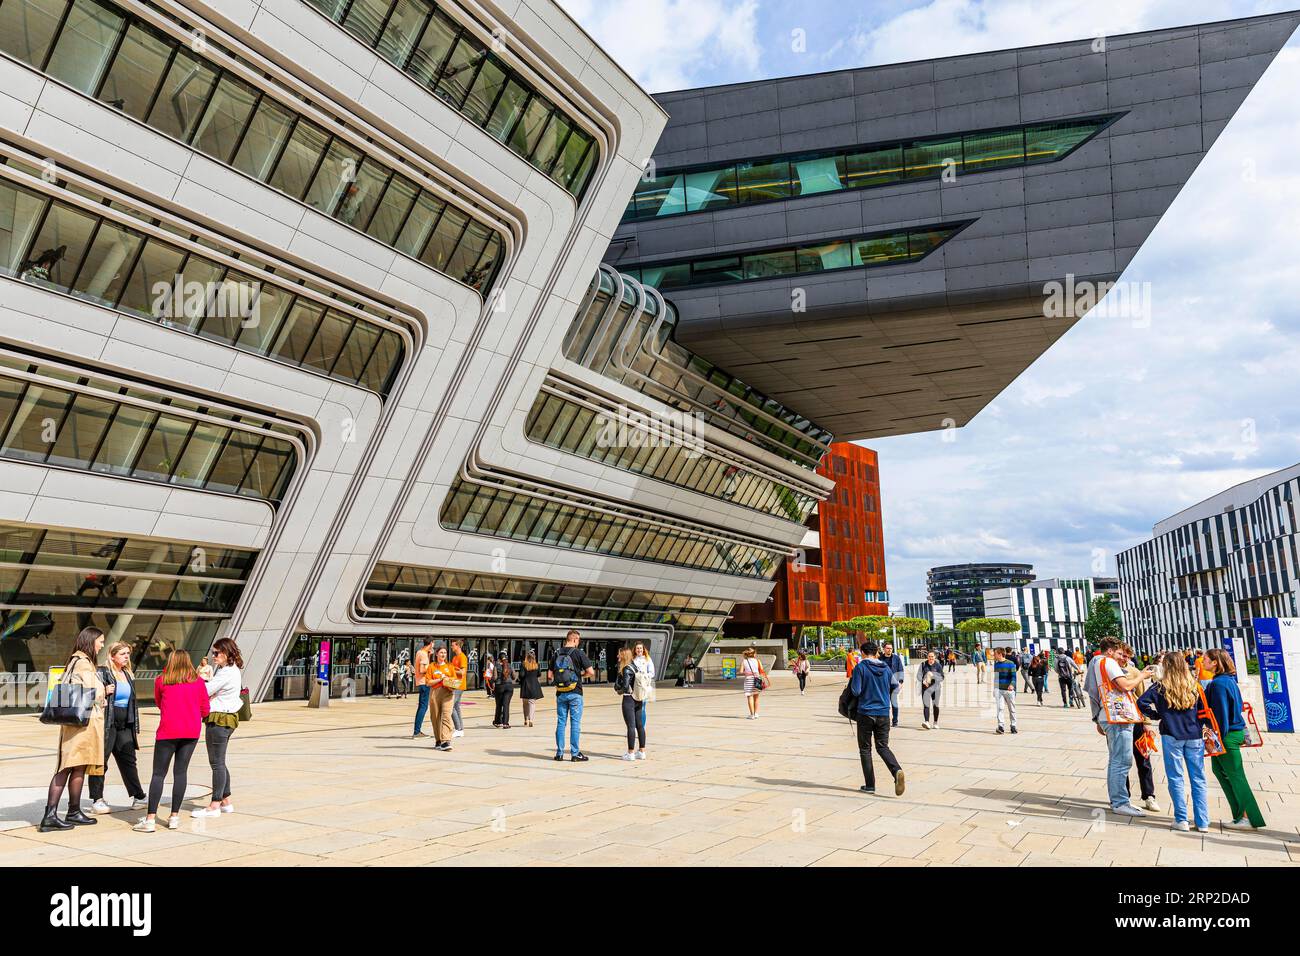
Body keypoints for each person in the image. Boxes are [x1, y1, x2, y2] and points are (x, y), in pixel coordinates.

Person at [40, 627, 109, 832]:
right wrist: (105, 690)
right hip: (80, 725)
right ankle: (50, 815)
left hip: (83, 724)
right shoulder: (82, 663)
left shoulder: (80, 661)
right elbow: (93, 692)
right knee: (67, 766)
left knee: (79, 766)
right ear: (91, 641)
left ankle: (74, 810)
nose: (102, 645)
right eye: (101, 641)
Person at [134, 650, 209, 832]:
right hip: (191, 732)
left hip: (168, 731)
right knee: (180, 773)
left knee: (158, 774)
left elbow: (159, 703)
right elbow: (205, 709)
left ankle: (150, 819)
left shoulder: (162, 680)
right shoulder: (198, 682)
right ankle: (174, 816)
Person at [1137, 652, 1210, 832]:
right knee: (1198, 778)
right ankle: (1202, 822)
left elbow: (1140, 702)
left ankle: (1181, 819)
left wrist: (1157, 715)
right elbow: (1203, 710)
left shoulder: (1160, 687)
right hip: (1194, 735)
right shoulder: (1195, 686)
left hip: (1171, 734)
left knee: (1176, 777)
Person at [1084, 636, 1154, 817]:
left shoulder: (1095, 662)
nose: (1122, 657)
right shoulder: (1108, 662)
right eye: (1119, 653)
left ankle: (1118, 800)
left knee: (1116, 760)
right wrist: (1142, 675)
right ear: (1110, 651)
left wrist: (1097, 718)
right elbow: (1125, 685)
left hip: (1109, 715)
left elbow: (1094, 692)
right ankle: (1120, 802)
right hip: (1117, 716)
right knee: (1122, 761)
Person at [1202, 648, 1266, 830]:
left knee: (1236, 777)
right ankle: (1239, 815)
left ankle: (1249, 818)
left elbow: (1221, 715)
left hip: (1226, 735)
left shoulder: (1218, 684)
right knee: (1222, 772)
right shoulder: (1227, 681)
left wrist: (1215, 740)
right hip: (1230, 733)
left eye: (1206, 659)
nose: (1203, 661)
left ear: (1215, 662)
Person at [88, 641, 145, 815]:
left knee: (129, 760)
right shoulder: (102, 672)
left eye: (128, 653)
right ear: (112, 655)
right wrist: (103, 691)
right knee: (100, 761)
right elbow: (90, 694)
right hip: (107, 723)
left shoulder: (127, 674)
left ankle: (138, 796)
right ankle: (97, 799)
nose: (126, 656)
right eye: (122, 654)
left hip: (124, 724)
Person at [847, 640, 905, 796]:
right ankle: (896, 770)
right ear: (876, 652)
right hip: (884, 713)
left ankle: (870, 785)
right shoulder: (885, 668)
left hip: (865, 712)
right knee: (882, 747)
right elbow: (895, 687)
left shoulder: (860, 668)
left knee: (865, 749)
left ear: (864, 653)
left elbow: (856, 691)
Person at [193, 637, 242, 818]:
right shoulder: (228, 669)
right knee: (219, 761)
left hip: (220, 719)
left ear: (227, 653)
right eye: (213, 653)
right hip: (225, 718)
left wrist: (197, 680)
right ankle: (226, 801)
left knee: (216, 763)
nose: (213, 656)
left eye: (216, 653)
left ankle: (215, 804)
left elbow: (205, 691)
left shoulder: (227, 672)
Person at [1119, 643, 1160, 812]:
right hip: (1118, 722)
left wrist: (1147, 723)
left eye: (1127, 656)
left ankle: (1149, 795)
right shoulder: (1108, 670)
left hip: (1136, 721)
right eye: (1122, 655)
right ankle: (1123, 796)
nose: (1124, 659)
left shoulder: (1134, 672)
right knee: (1121, 761)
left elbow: (1141, 699)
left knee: (1143, 758)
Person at [549, 630, 594, 761]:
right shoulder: (579, 653)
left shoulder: (556, 653)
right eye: (578, 640)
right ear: (574, 640)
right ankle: (575, 754)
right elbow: (590, 672)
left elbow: (550, 675)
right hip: (575, 692)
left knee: (561, 722)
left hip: (561, 693)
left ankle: (559, 753)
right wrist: (580, 676)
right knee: (575, 723)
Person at [614, 648, 647, 761]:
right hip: (638, 698)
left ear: (623, 656)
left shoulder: (626, 669)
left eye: (619, 655)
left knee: (631, 726)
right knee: (640, 725)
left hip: (629, 699)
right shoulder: (635, 667)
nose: (618, 657)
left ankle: (630, 753)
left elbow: (625, 686)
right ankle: (642, 751)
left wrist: (618, 690)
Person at [631, 641, 655, 742]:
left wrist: (644, 676)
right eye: (637, 648)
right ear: (635, 650)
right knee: (634, 709)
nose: (639, 650)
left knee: (642, 708)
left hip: (644, 686)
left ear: (643, 649)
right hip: (634, 687)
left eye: (641, 648)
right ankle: (634, 729)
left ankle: (641, 728)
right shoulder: (633, 660)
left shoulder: (647, 659)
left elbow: (652, 673)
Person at [992, 648, 1018, 734]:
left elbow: (1014, 676)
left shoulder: (1011, 664)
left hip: (1009, 691)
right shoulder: (996, 664)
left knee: (1012, 709)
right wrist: (994, 689)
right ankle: (1001, 726)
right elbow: (996, 677)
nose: (994, 655)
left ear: (1000, 654)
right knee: (1000, 708)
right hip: (999, 690)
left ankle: (1013, 726)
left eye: (995, 654)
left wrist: (1012, 684)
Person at [412, 638, 433, 738]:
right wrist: (432, 670)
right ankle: (417, 732)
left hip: (420, 682)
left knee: (421, 706)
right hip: (424, 682)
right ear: (431, 643)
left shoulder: (419, 652)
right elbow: (422, 669)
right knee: (423, 707)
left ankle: (417, 730)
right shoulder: (424, 654)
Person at [918, 650, 944, 729]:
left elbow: (942, 677)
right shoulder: (923, 664)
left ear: (935, 657)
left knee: (935, 705)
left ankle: (935, 722)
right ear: (927, 657)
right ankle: (926, 722)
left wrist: (933, 676)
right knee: (926, 705)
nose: (930, 658)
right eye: (929, 656)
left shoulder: (938, 665)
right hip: (925, 688)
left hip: (936, 688)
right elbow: (919, 675)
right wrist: (923, 680)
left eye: (932, 656)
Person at [448, 639, 468, 739]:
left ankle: (458, 729)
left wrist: (453, 669)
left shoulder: (462, 657)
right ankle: (460, 729)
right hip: (454, 684)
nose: (451, 647)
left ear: (458, 646)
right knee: (456, 707)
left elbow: (463, 673)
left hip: (459, 685)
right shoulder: (455, 657)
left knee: (450, 706)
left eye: (453, 645)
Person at [881, 642, 904, 726]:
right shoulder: (880, 659)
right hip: (883, 685)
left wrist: (901, 682)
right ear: (884, 649)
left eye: (891, 648)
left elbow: (900, 669)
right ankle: (885, 721)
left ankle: (895, 721)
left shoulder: (896, 658)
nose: (889, 650)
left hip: (894, 684)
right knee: (885, 703)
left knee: (894, 703)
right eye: (888, 648)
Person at [518, 650, 543, 727]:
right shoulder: (536, 664)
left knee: (525, 704)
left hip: (525, 685)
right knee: (532, 703)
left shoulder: (523, 664)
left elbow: (521, 675)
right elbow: (539, 674)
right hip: (534, 685)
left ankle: (526, 719)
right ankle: (531, 719)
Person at [740, 646, 766, 719]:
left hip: (748, 680)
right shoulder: (758, 661)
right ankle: (756, 713)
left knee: (750, 696)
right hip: (757, 679)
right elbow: (762, 670)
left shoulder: (744, 661)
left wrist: (747, 672)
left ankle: (752, 715)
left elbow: (741, 671)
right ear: (754, 654)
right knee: (756, 697)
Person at [493, 654, 515, 728]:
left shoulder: (496, 666)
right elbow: (514, 677)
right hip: (509, 687)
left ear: (499, 659)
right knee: (506, 705)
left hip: (499, 686)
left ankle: (497, 722)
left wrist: (491, 679)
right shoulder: (510, 665)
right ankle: (505, 723)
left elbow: (495, 677)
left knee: (499, 705)